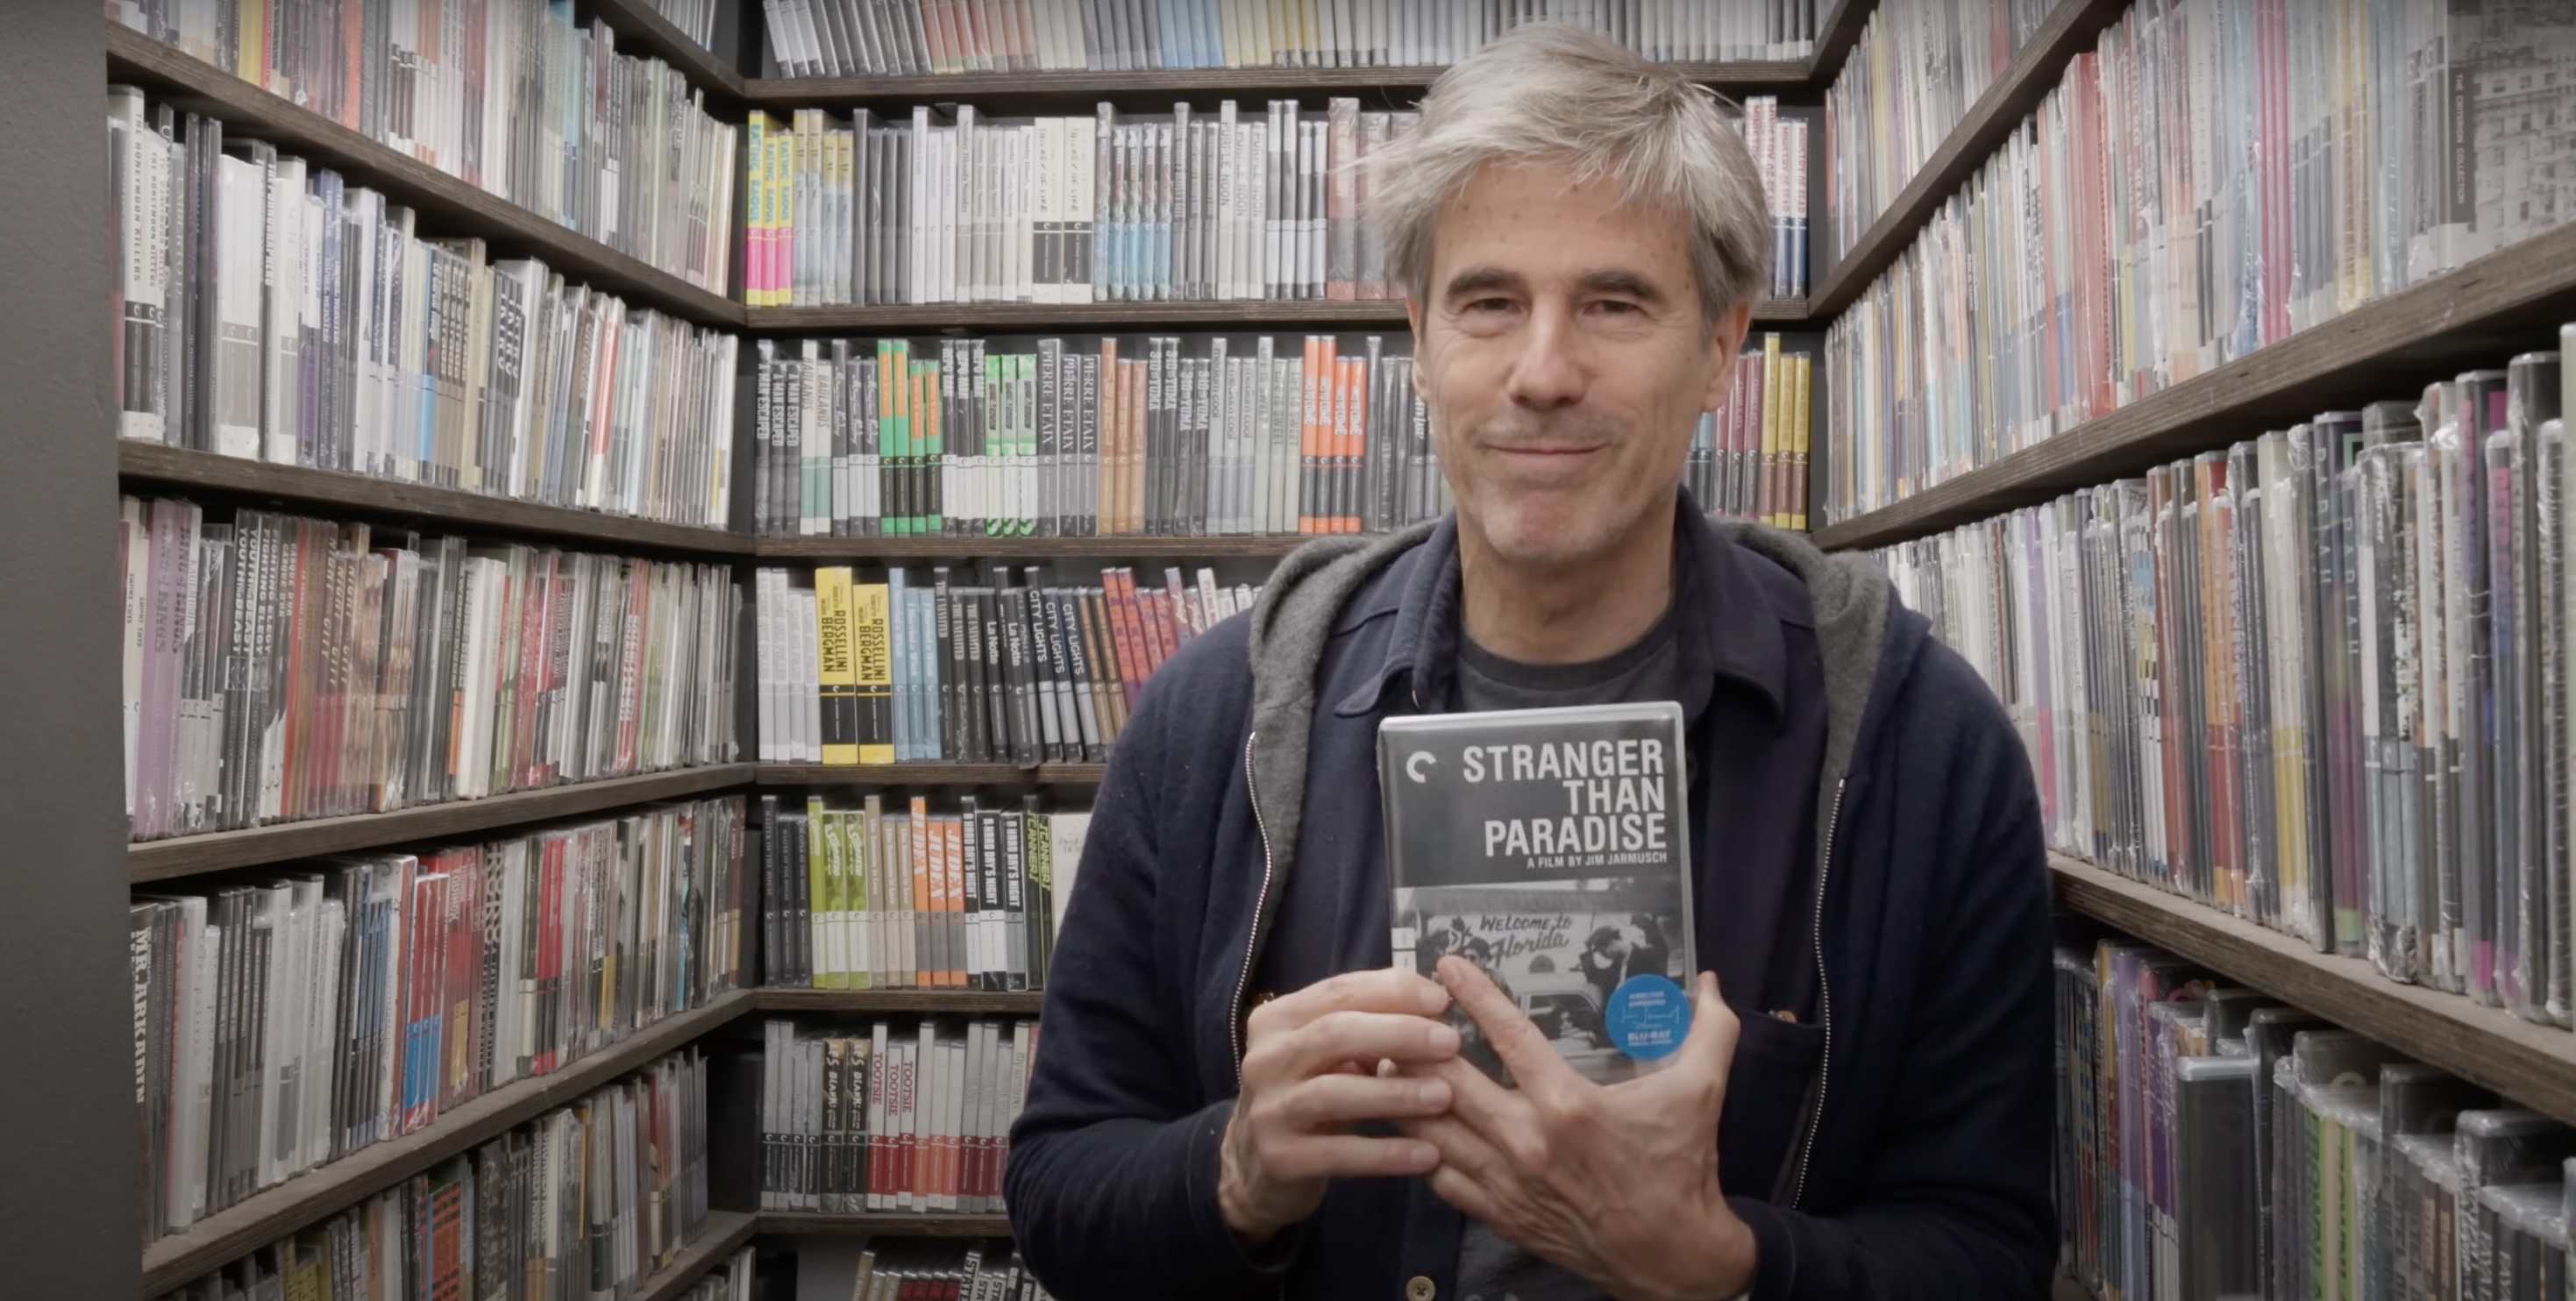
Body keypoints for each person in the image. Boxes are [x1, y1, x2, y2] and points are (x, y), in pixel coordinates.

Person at [1005, 23, 2055, 1300]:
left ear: (1721, 346)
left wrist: (1724, 1268)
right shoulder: (1211, 718)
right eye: (1488, 302)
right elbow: (1059, 1191)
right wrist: (1234, 1169)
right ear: (1419, 340)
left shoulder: (1914, 743)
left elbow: (1988, 1249)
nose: (1543, 372)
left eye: (1613, 304)